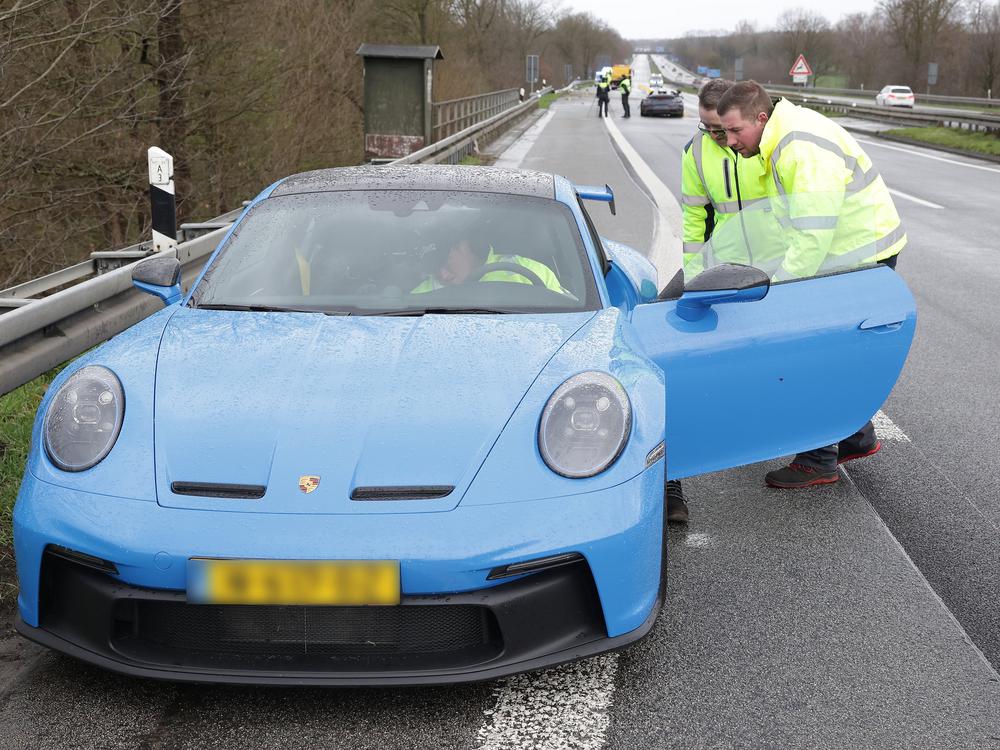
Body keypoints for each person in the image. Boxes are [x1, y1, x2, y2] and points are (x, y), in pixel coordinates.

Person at [716, 80, 906, 489]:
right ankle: (854, 436)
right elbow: (785, 220)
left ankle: (817, 460)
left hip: (858, 257)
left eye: (735, 131)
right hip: (850, 256)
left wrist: (781, 292)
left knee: (811, 352)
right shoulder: (780, 137)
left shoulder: (798, 146)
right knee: (835, 353)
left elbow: (813, 233)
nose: (730, 142)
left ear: (760, 118)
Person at [412, 232, 565, 295]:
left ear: (465, 246)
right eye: (436, 269)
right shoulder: (425, 291)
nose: (443, 275)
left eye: (447, 264)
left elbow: (569, 318)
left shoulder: (531, 272)